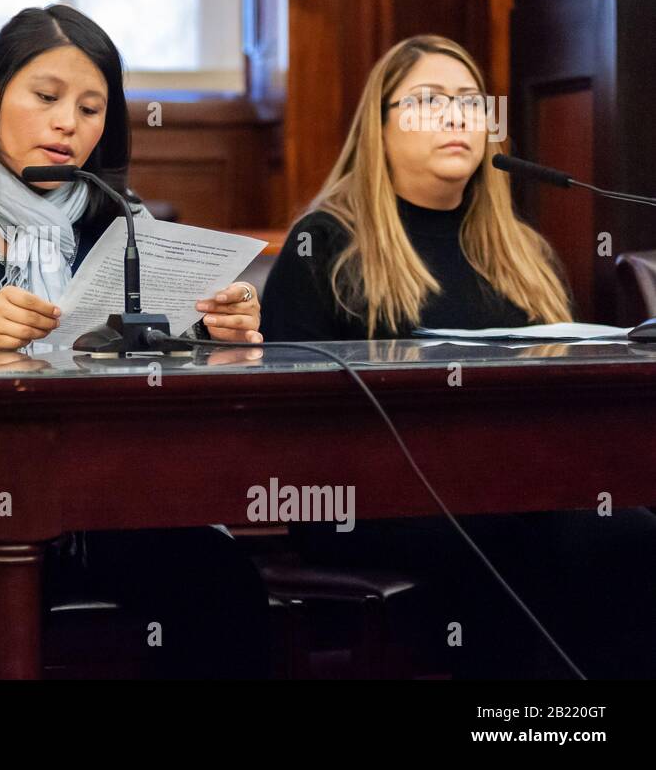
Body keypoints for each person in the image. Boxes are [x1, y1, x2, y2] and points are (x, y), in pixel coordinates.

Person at [0, 4, 269, 678]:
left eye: (92, 108)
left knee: (219, 574)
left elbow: (159, 375)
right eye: (47, 96)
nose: (69, 122)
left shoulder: (120, 215)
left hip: (102, 491)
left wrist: (215, 333)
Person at [261, 34, 656, 678]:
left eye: (472, 103)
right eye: (427, 100)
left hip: (515, 486)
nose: (456, 117)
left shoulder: (522, 255)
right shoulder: (327, 244)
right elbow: (289, 417)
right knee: (570, 536)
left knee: (621, 529)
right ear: (379, 128)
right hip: (367, 500)